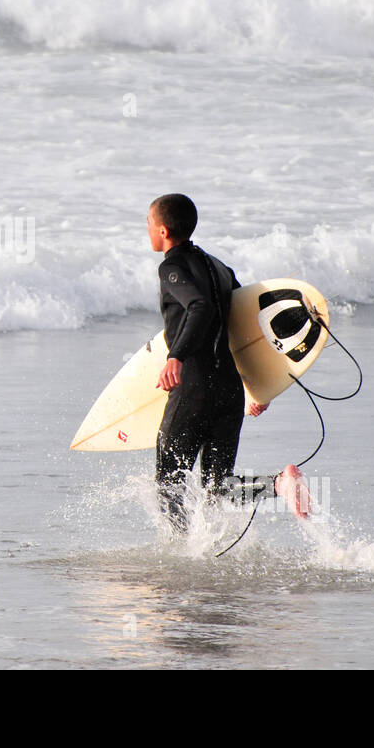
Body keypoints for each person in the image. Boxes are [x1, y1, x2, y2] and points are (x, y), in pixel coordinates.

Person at [148, 193, 268, 533]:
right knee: (218, 487)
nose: (147, 230)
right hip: (228, 390)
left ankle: (181, 556)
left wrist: (175, 357)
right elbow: (245, 326)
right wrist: (256, 385)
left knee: (168, 484)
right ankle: (279, 486)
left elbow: (199, 307)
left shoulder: (171, 267)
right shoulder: (219, 267)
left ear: (164, 231)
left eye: (148, 223)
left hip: (194, 390)